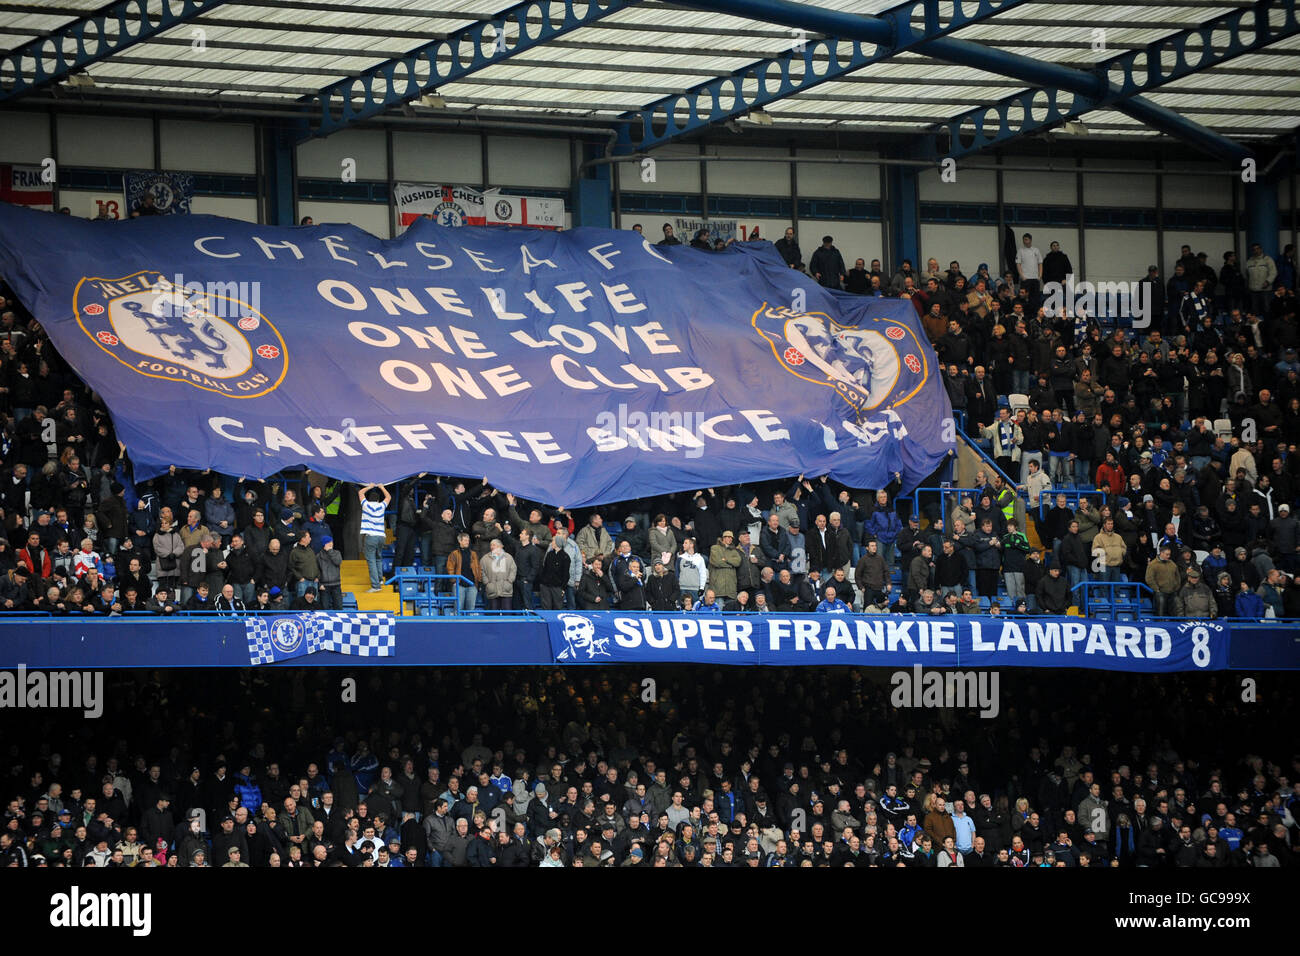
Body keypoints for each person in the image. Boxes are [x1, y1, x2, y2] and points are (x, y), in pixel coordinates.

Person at [358, 483, 391, 592]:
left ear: (369, 498)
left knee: (371, 560)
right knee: (378, 558)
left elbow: (360, 492)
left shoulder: (365, 505)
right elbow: (389, 497)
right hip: (381, 536)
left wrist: (369, 486)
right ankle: (380, 579)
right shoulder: (381, 506)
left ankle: (376, 586)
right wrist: (381, 487)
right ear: (378, 500)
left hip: (371, 537)